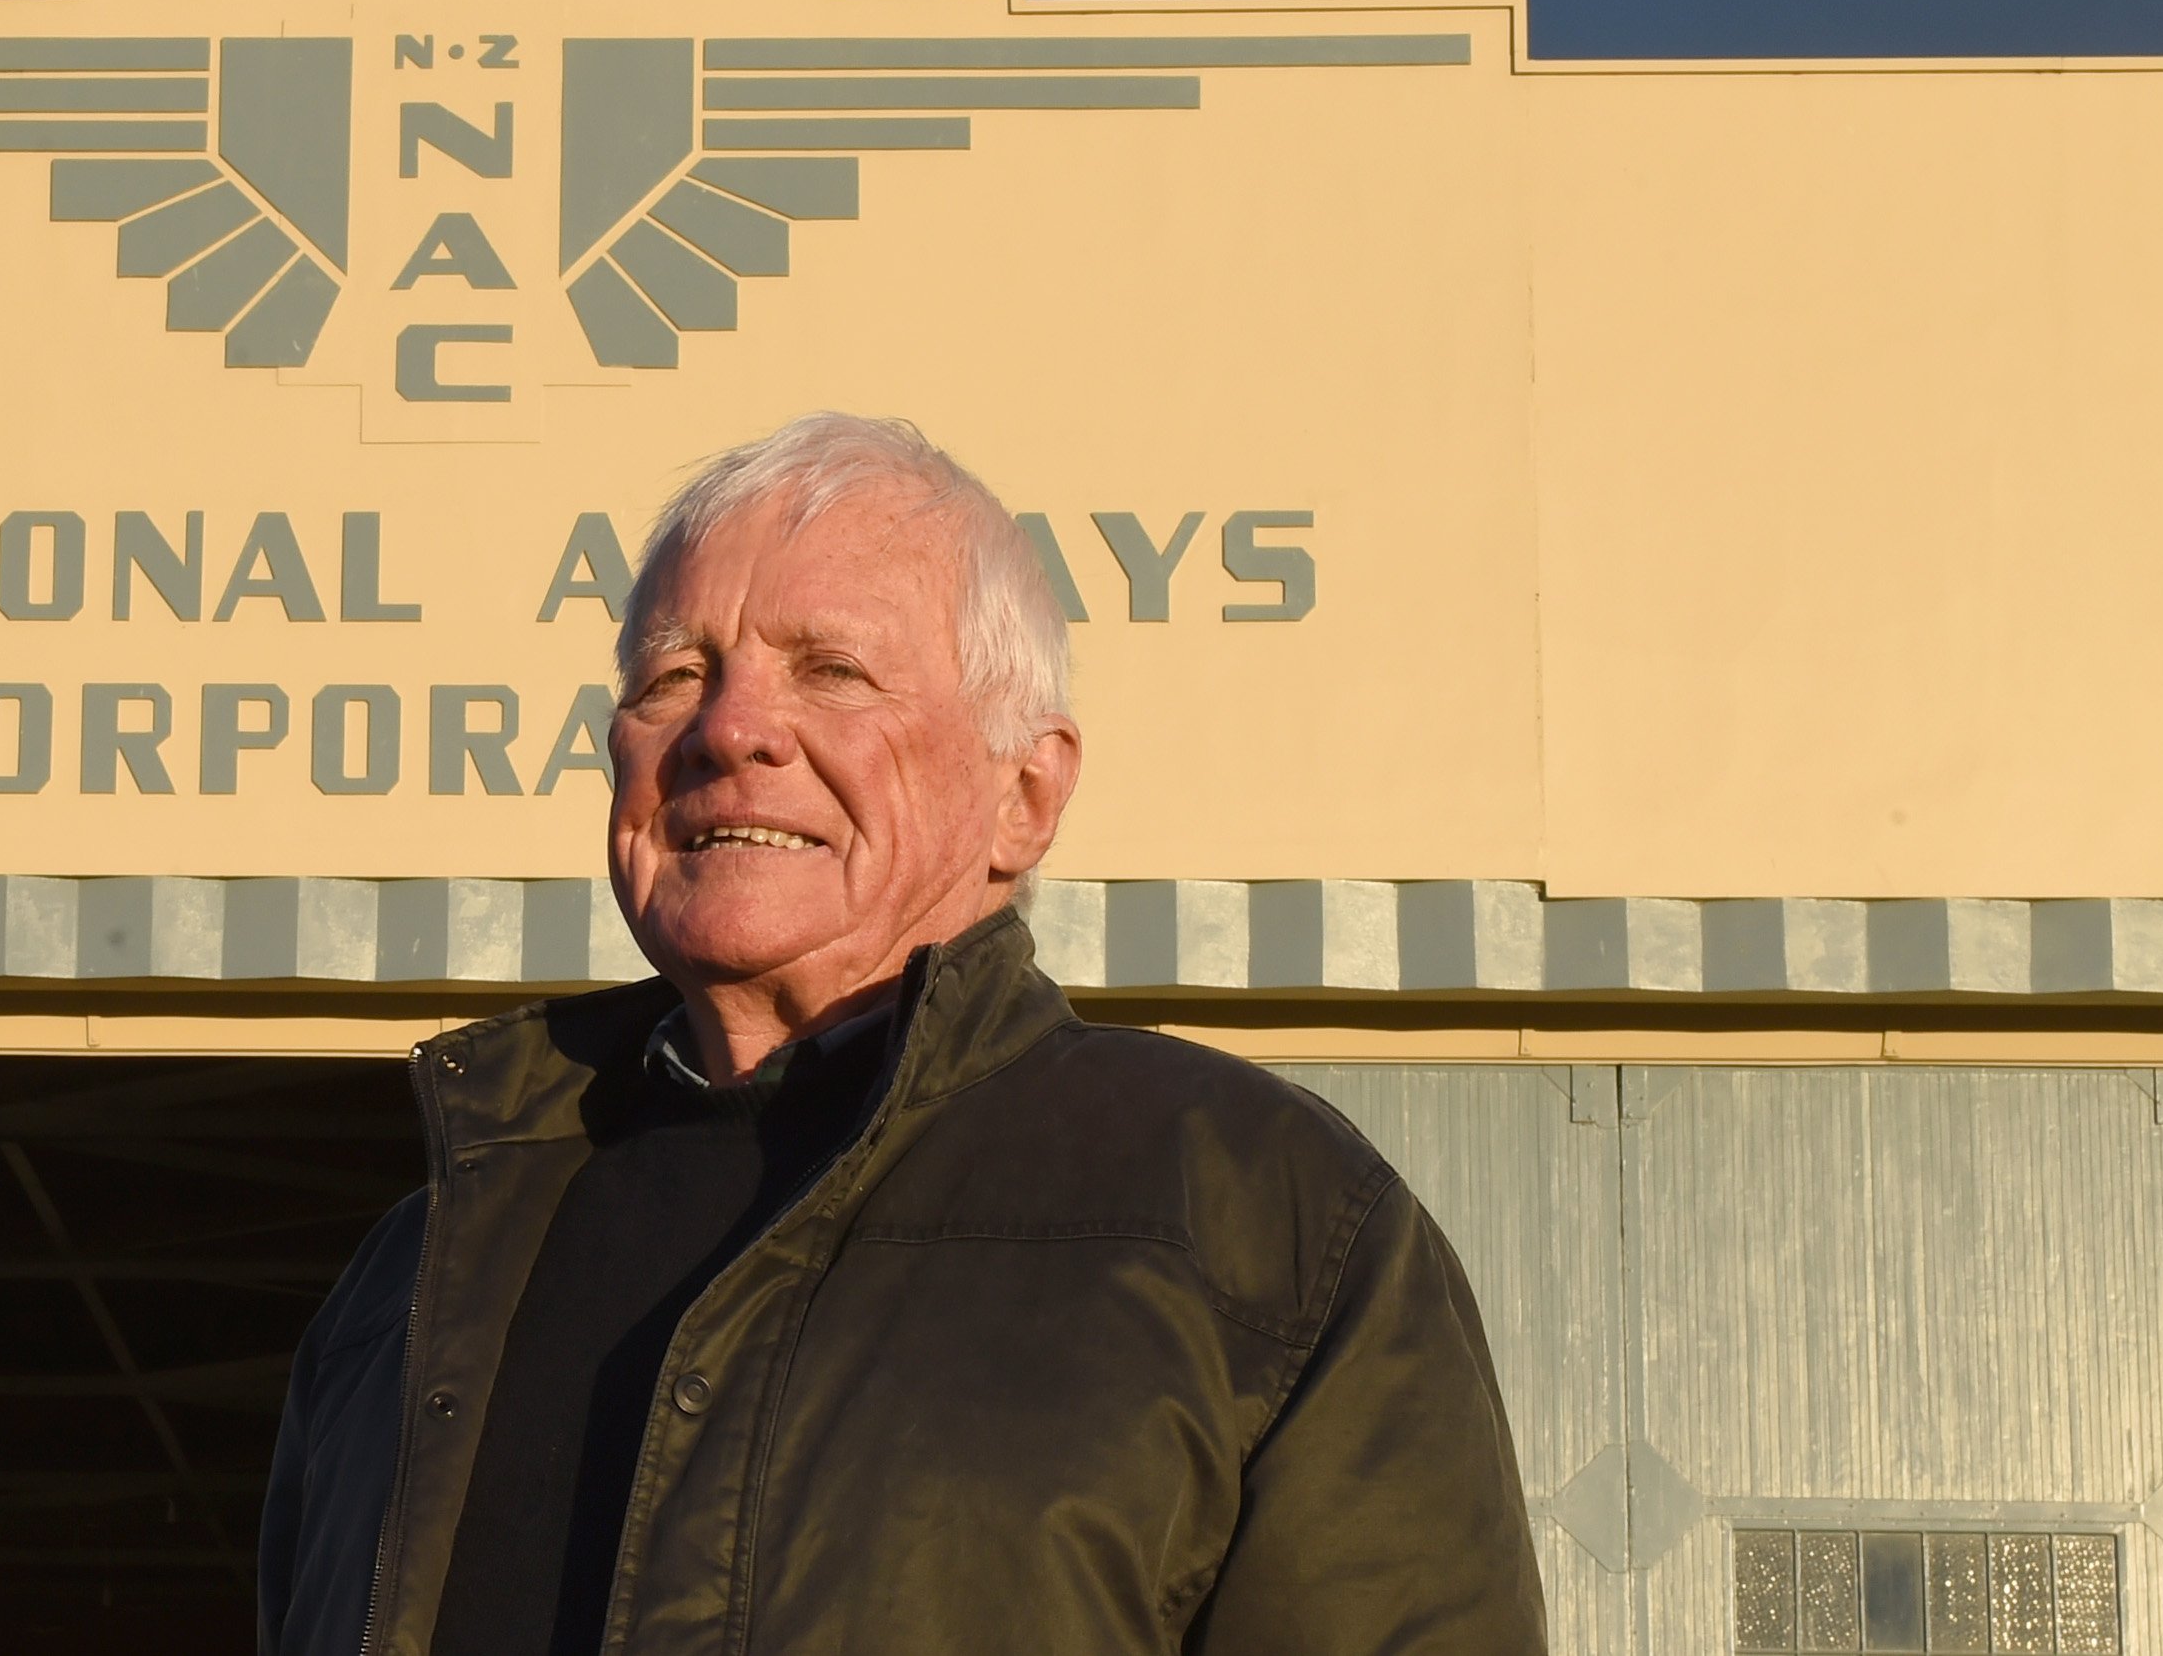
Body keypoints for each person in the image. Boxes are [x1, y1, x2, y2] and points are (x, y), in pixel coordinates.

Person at [256, 412, 1548, 1656]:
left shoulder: (1267, 1230)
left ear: (1025, 796)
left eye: (832, 671)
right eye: (674, 677)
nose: (731, 729)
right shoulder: (412, 1282)